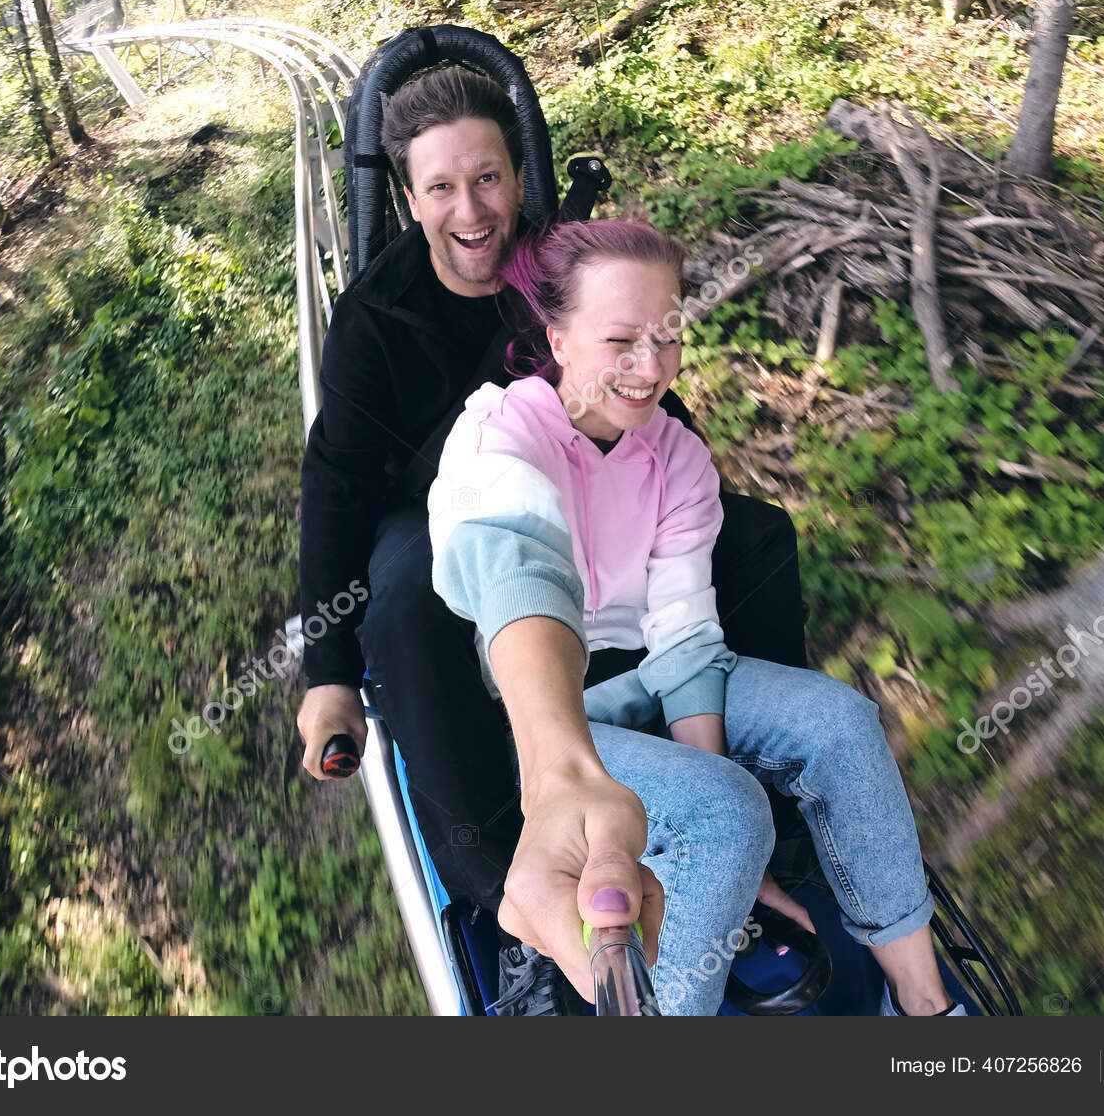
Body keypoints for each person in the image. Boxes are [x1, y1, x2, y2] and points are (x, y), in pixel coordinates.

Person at [294, 65, 808, 1011]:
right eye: (441, 187)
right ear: (410, 199)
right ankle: (508, 898)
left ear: (519, 178)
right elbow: (334, 486)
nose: (470, 210)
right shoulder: (374, 321)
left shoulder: (558, 278)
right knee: (405, 589)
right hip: (442, 517)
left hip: (583, 477)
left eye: (487, 178)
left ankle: (761, 829)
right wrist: (327, 667)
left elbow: (643, 389)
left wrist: (690, 518)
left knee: (756, 537)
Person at [427, 219, 966, 1016]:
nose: (651, 369)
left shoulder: (676, 456)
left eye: (666, 338)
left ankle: (923, 1004)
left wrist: (732, 828)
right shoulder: (497, 437)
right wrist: (560, 767)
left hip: (649, 671)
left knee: (843, 724)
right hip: (552, 706)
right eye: (620, 341)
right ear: (560, 340)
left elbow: (684, 634)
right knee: (724, 810)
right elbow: (515, 560)